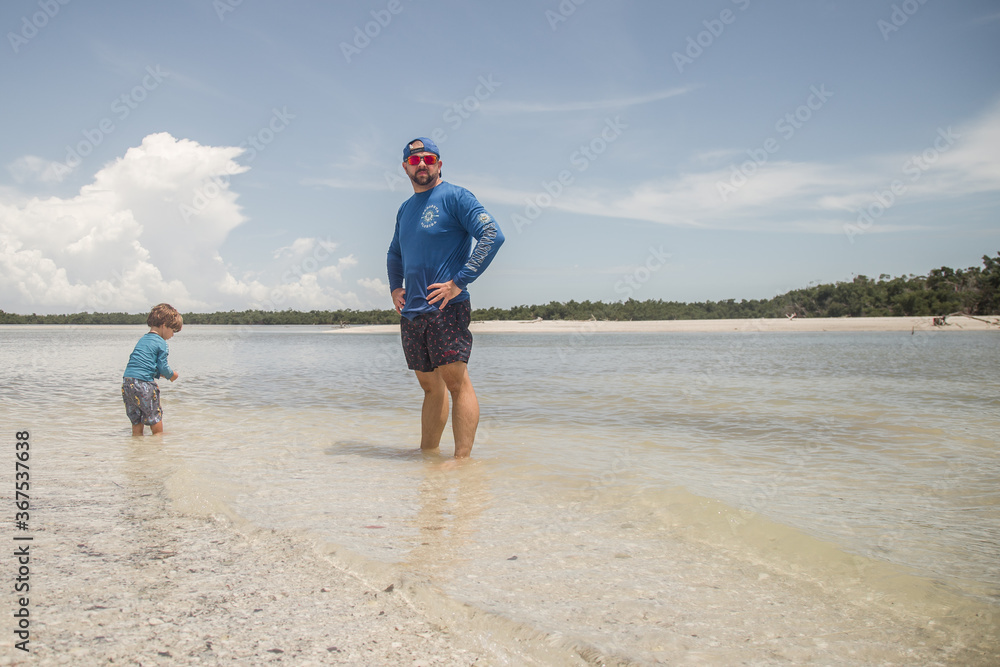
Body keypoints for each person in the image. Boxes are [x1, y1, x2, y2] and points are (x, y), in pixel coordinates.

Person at [387, 137, 504, 459]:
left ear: (439, 164)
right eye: (414, 160)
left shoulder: (455, 197)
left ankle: (462, 460)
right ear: (405, 167)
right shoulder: (405, 209)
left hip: (445, 307)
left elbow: (492, 235)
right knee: (430, 387)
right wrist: (395, 286)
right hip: (412, 311)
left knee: (456, 383)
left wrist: (459, 282)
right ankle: (428, 455)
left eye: (428, 158)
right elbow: (395, 251)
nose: (421, 164)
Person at [122, 303, 182, 436]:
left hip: (127, 382)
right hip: (144, 384)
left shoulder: (143, 339)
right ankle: (158, 444)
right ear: (164, 325)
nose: (172, 335)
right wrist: (172, 375)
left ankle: (137, 445)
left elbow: (143, 363)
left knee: (136, 419)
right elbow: (163, 367)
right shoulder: (161, 343)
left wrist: (157, 373)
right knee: (155, 417)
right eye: (173, 330)